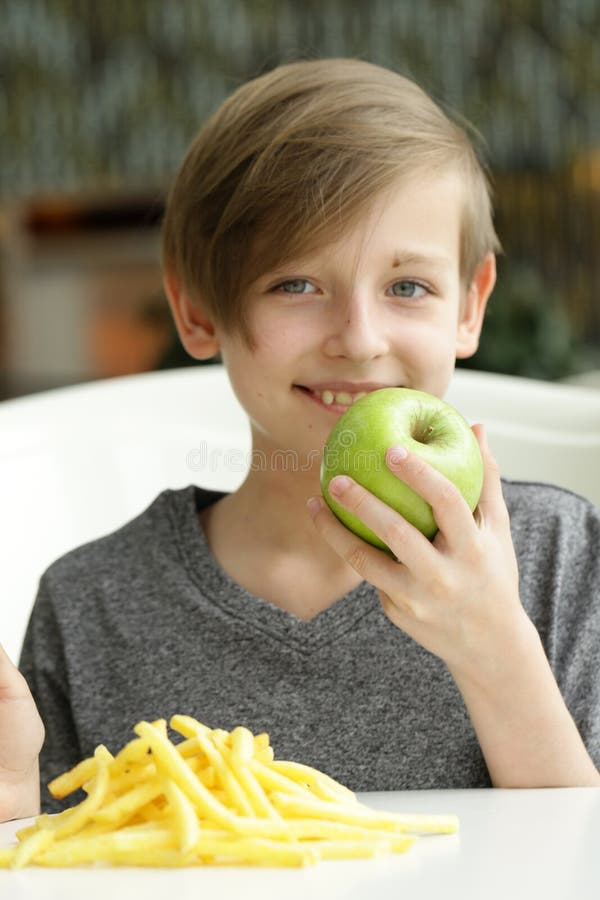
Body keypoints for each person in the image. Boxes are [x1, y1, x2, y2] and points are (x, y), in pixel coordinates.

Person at [2, 58, 600, 824]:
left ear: (468, 306)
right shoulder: (91, 603)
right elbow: (59, 860)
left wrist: (496, 653)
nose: (359, 338)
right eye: (297, 285)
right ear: (196, 309)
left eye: (407, 287)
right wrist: (14, 805)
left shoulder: (557, 554)